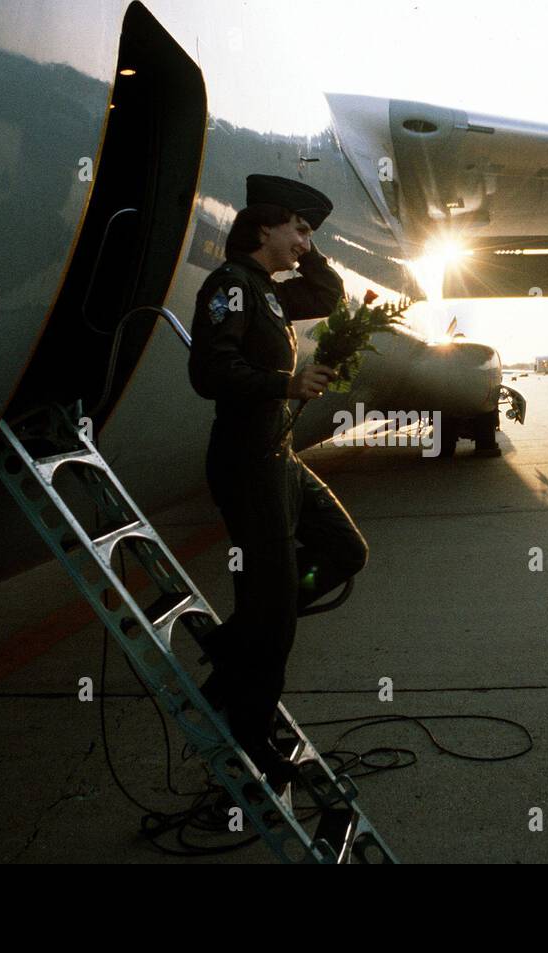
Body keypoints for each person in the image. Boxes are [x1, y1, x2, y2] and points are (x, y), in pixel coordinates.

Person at [188, 174, 368, 781]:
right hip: (245, 460)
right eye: (298, 227)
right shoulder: (230, 288)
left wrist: (306, 245)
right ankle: (253, 735)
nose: (304, 241)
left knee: (344, 550)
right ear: (263, 226)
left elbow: (329, 293)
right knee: (274, 616)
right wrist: (283, 384)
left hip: (278, 455)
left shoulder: (267, 290)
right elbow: (211, 372)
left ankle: (236, 640)